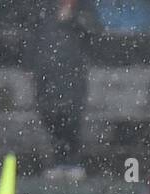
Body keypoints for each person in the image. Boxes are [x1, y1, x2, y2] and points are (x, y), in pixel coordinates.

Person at [28, 0, 99, 179]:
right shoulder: (43, 8)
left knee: (72, 117)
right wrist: (30, 66)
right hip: (46, 74)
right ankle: (58, 160)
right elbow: (32, 37)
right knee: (50, 116)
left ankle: (72, 161)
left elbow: (95, 33)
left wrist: (74, 19)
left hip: (72, 74)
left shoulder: (84, 8)